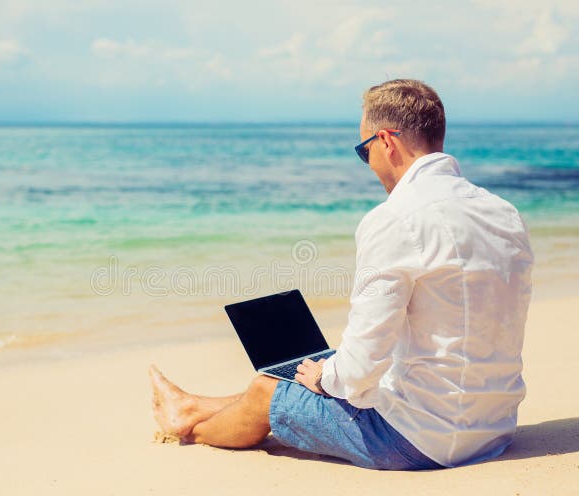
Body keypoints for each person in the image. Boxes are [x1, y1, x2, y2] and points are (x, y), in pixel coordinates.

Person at [149, 79, 534, 469]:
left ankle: (188, 426)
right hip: (493, 428)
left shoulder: (395, 219)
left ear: (386, 142)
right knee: (310, 375)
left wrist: (324, 378)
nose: (368, 164)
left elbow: (359, 371)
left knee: (268, 389)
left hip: (421, 439)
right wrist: (330, 372)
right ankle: (195, 405)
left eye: (363, 151)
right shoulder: (503, 212)